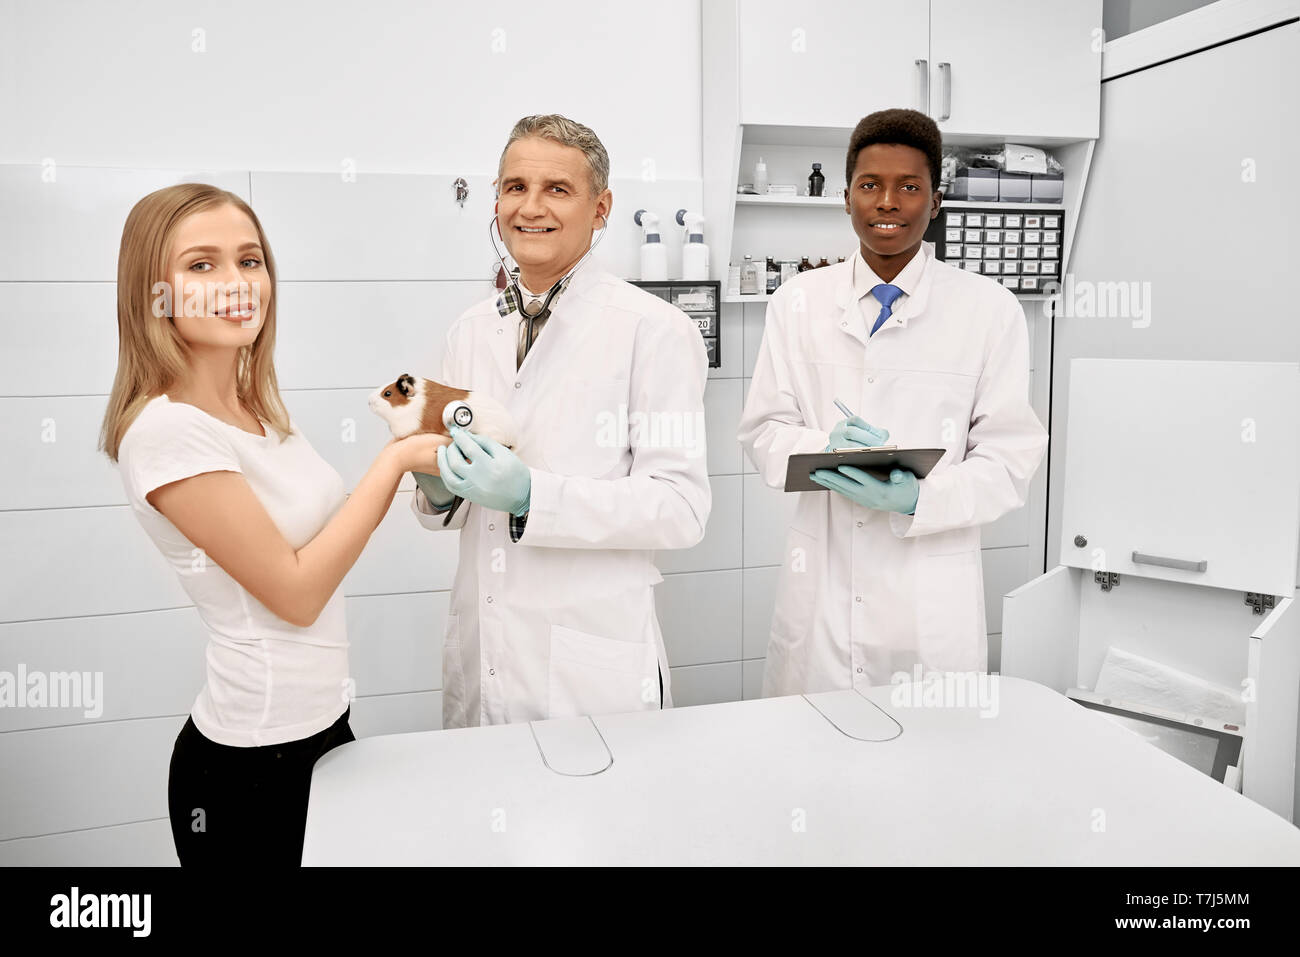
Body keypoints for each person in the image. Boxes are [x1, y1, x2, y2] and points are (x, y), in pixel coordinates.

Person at [100, 183, 446, 865]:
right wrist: (397, 460)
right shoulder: (167, 432)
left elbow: (312, 539)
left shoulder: (257, 411)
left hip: (321, 730)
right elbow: (294, 593)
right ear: (153, 290)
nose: (237, 282)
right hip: (250, 768)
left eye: (250, 260)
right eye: (202, 265)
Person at [411, 114, 712, 728]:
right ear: (496, 200)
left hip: (590, 663)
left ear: (600, 208)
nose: (531, 207)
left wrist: (532, 496)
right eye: (515, 187)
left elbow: (680, 508)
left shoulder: (655, 330)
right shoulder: (469, 330)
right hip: (484, 645)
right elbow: (440, 501)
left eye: (557, 189)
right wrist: (437, 488)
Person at [737, 108, 1048, 695]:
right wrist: (820, 447)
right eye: (870, 185)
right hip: (821, 597)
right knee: (813, 764)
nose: (888, 202)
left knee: (928, 774)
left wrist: (918, 498)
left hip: (929, 602)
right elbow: (763, 431)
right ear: (846, 197)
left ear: (935, 203)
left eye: (910, 187)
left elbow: (1009, 459)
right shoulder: (797, 301)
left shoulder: (988, 309)